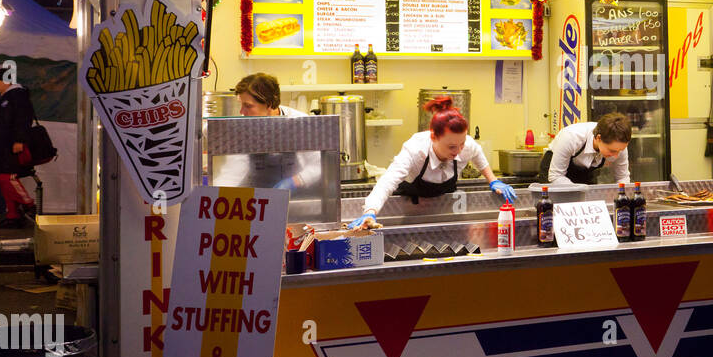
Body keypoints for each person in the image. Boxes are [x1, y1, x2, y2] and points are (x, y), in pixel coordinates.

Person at [349, 94, 515, 228]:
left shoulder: (466, 145)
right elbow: (387, 181)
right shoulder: (415, 149)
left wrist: (493, 180)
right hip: (410, 211)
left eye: (461, 144)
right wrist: (370, 211)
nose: (458, 151)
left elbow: (477, 153)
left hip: (445, 208)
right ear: (433, 137)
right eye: (451, 147)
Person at [215, 73, 319, 193]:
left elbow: (319, 166)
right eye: (241, 105)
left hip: (294, 200)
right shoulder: (244, 126)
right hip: (256, 199)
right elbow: (233, 171)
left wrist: (296, 181)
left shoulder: (300, 123)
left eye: (248, 106)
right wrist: (218, 195)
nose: (242, 111)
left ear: (269, 104)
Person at [0, 78, 38, 228]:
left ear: (7, 81)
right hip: (2, 146)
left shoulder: (17, 95)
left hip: (11, 145)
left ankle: (28, 204)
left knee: (7, 177)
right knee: (3, 179)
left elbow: (23, 119)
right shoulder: (5, 98)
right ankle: (13, 216)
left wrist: (19, 140)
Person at [538, 113, 632, 185]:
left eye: (620, 151)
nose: (616, 156)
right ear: (598, 138)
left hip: (584, 173)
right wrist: (576, 193)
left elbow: (622, 177)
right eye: (612, 151)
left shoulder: (619, 144)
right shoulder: (571, 137)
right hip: (555, 170)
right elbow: (556, 176)